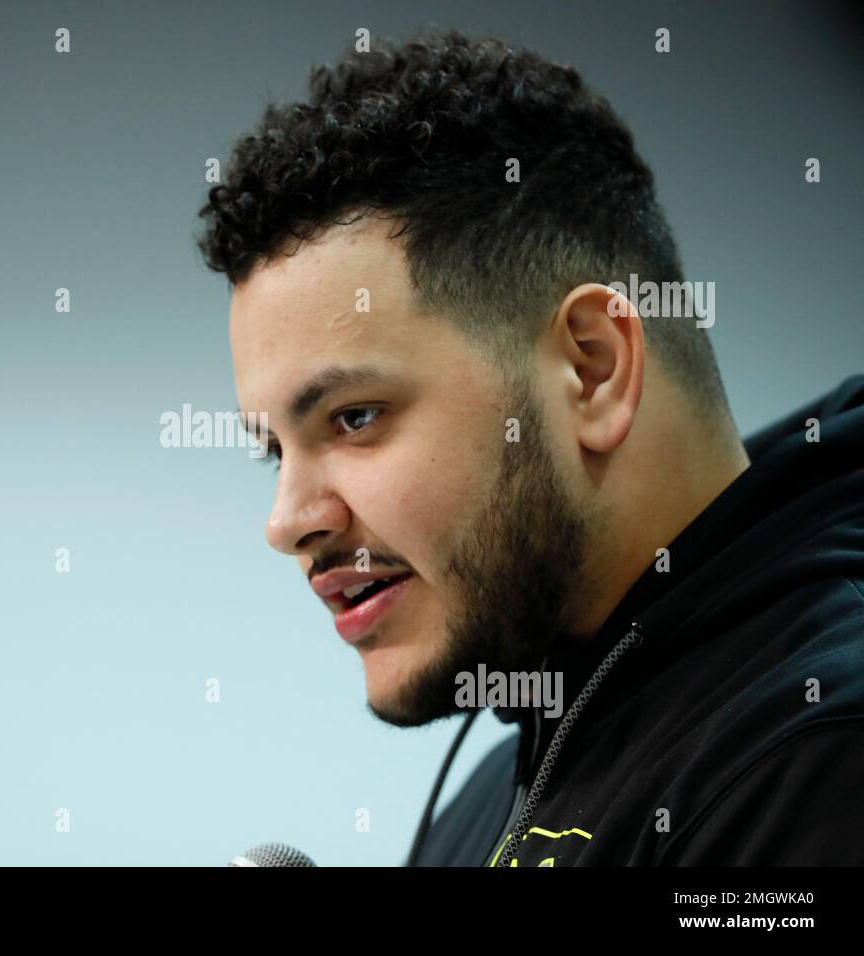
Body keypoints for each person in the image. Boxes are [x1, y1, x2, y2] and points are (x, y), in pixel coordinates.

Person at [194, 27, 864, 865]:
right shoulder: (488, 803)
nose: (288, 521)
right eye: (273, 451)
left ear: (592, 369)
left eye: (354, 417)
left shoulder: (817, 758)